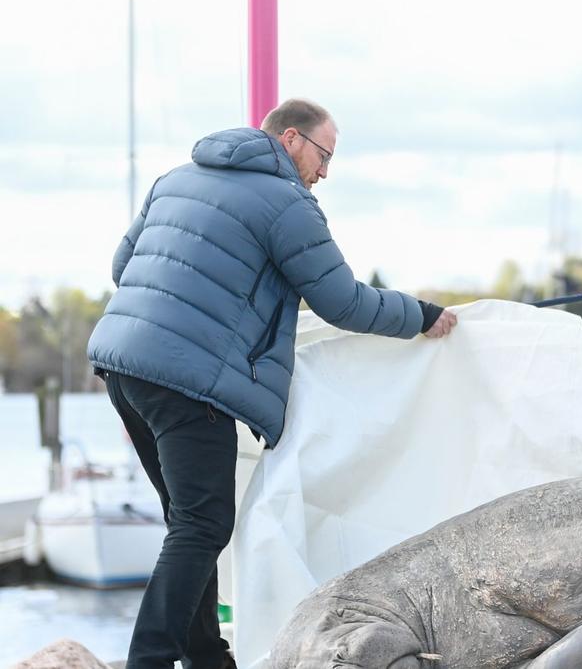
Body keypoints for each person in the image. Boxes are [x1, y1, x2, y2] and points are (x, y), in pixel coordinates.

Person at [86, 98, 458, 669]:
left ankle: (208, 657)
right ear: (291, 139)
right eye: (324, 154)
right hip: (188, 381)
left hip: (122, 365)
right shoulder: (288, 204)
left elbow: (123, 266)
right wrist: (422, 315)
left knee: (188, 523)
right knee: (203, 524)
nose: (326, 172)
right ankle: (150, 660)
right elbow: (342, 302)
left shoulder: (177, 178)